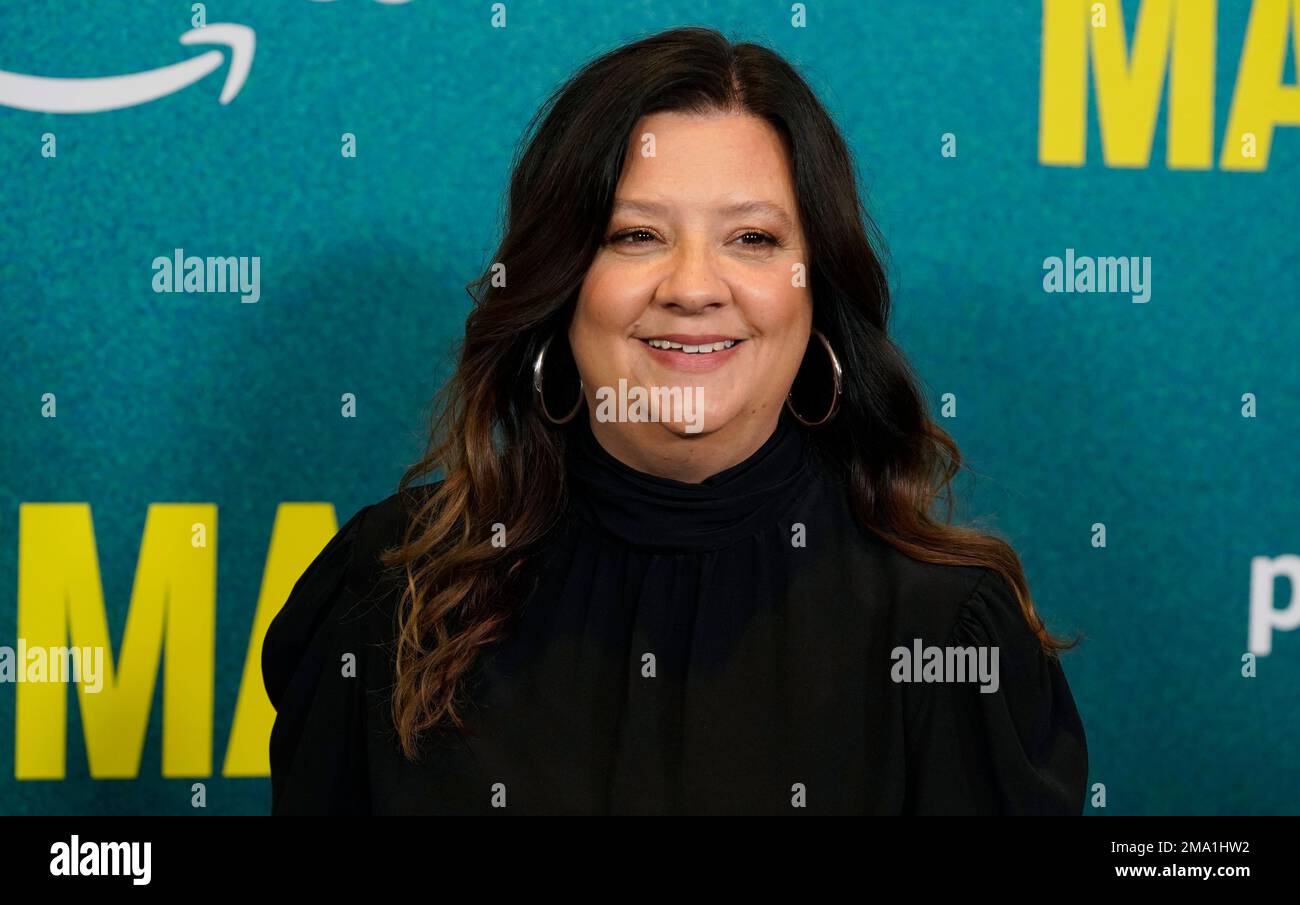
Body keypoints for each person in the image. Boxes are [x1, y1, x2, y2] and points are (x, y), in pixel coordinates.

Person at [262, 25, 1087, 815]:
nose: (693, 287)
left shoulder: (945, 631)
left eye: (753, 238)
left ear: (816, 288)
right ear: (560, 279)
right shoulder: (390, 587)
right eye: (637, 235)